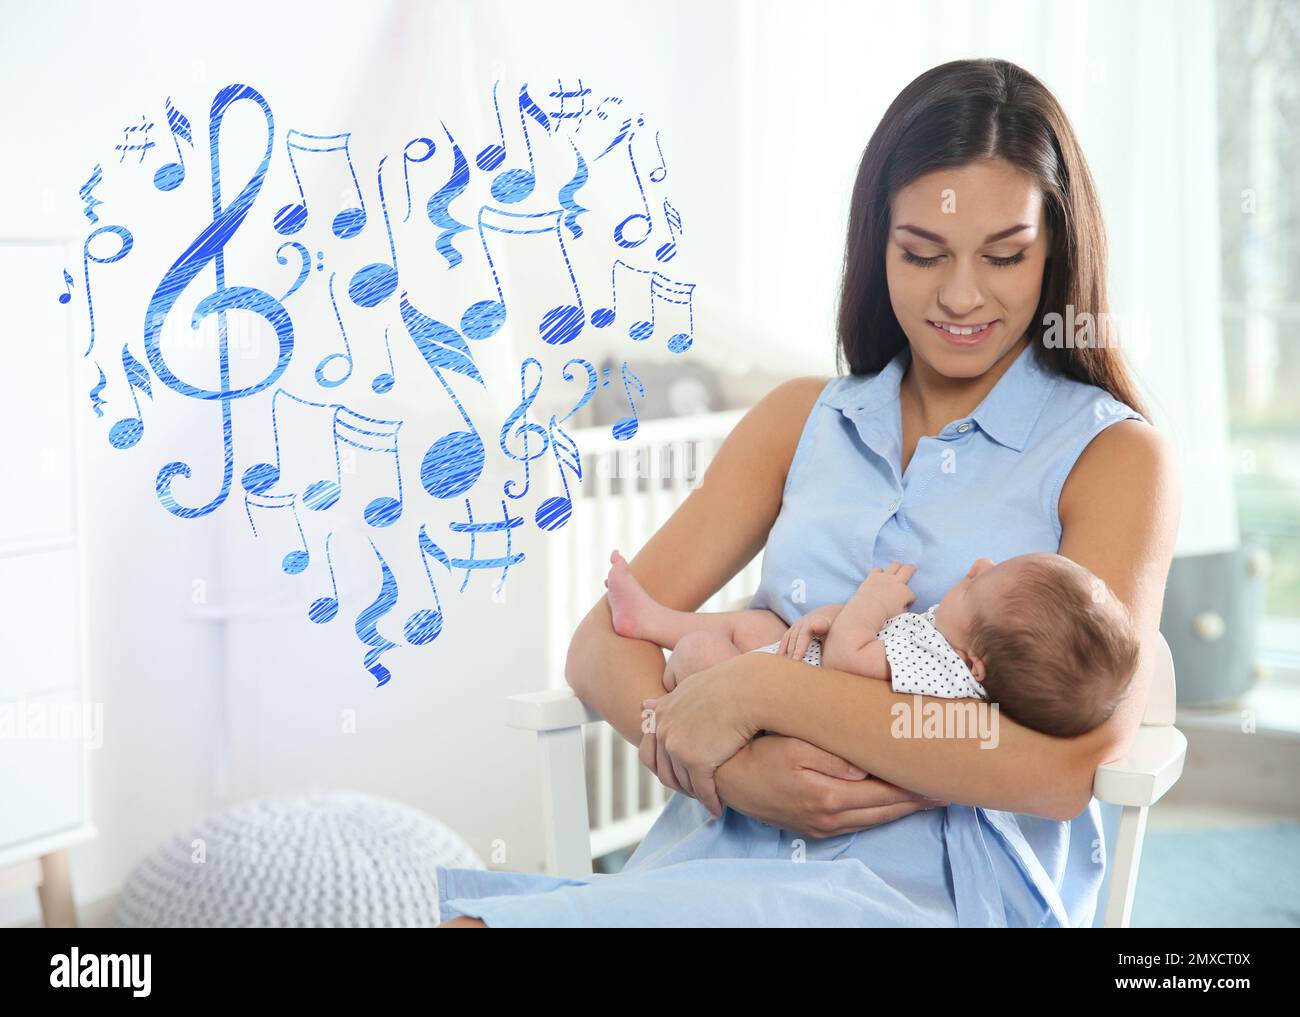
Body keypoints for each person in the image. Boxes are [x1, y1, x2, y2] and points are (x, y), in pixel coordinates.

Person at [437, 57, 1179, 928]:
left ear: (1054, 247)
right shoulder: (799, 419)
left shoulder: (1116, 456)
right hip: (721, 846)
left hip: (926, 886)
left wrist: (763, 697)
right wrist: (727, 764)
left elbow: (1064, 767)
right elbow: (601, 645)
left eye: (1006, 255)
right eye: (921, 252)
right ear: (877, 244)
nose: (962, 295)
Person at [604, 549, 1141, 739]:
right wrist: (829, 616)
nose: (977, 566)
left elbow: (847, 658)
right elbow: (862, 650)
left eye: (977, 584)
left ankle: (674, 708)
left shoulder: (943, 677)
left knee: (703, 651)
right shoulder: (953, 651)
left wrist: (872, 597)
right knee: (755, 627)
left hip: (775, 718)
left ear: (975, 664)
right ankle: (650, 620)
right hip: (794, 674)